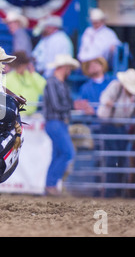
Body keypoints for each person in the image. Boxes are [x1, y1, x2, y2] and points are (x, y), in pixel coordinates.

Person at [97, 68, 135, 197]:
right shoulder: (116, 87)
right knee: (113, 158)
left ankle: (118, 191)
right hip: (109, 124)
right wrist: (110, 103)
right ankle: (110, 191)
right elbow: (104, 99)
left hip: (122, 127)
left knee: (121, 158)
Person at [42, 54, 80, 196]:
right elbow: (57, 105)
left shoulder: (58, 83)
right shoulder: (53, 83)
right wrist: (72, 106)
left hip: (57, 122)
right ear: (65, 68)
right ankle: (51, 184)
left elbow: (59, 105)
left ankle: (50, 185)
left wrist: (71, 106)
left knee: (59, 153)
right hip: (55, 122)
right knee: (67, 152)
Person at [4, 51, 46, 116]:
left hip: (32, 115)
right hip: (15, 115)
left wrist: (34, 74)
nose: (21, 67)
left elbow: (45, 88)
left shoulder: (32, 76)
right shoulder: (8, 78)